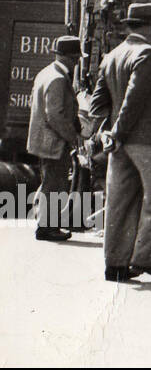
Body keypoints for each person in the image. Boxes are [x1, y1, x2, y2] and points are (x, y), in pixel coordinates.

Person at [90, 4, 151, 282]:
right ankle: (147, 258)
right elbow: (134, 98)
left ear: (130, 26)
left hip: (119, 144)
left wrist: (109, 134)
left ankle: (115, 264)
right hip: (148, 140)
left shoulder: (111, 56)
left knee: (119, 202)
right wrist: (118, 132)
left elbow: (97, 104)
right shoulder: (147, 53)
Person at [27, 36, 83, 241]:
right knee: (55, 184)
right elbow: (55, 115)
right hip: (54, 142)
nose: (76, 63)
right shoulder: (58, 78)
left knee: (49, 182)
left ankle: (45, 224)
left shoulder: (46, 73)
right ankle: (47, 228)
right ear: (70, 57)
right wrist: (72, 137)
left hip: (43, 140)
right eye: (76, 59)